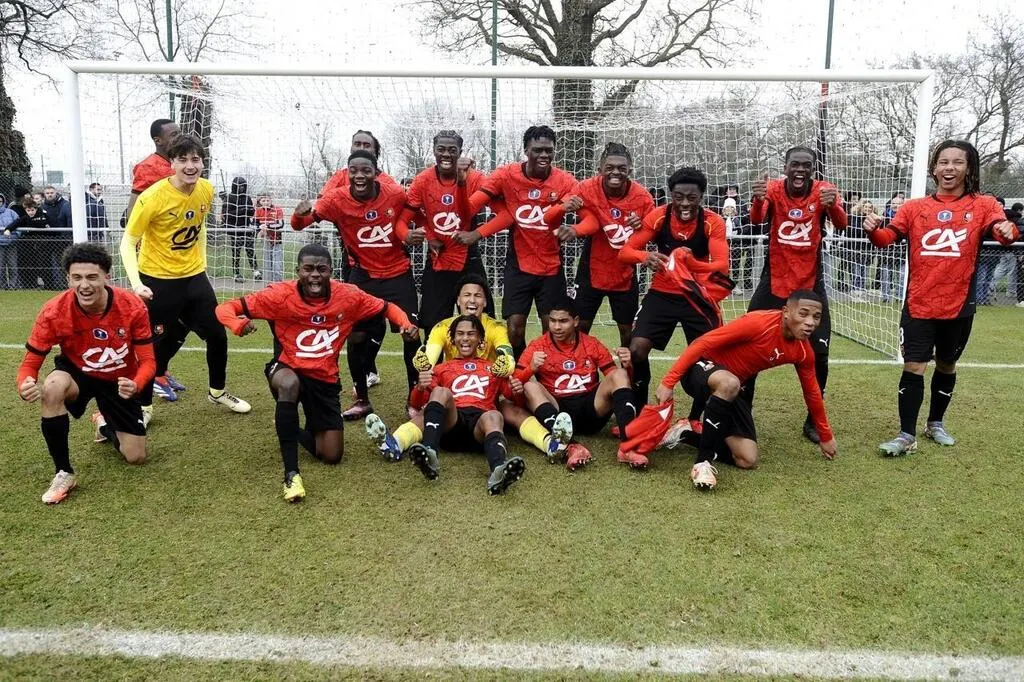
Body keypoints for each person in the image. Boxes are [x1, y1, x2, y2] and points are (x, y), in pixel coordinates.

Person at [215, 244, 417, 502]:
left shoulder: (349, 295)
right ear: (297, 270)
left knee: (331, 455)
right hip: (286, 370)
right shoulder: (279, 295)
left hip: (324, 379)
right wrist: (237, 324)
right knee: (288, 384)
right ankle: (291, 474)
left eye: (321, 269)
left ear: (331, 271)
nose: (315, 275)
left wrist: (406, 324)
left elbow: (387, 308)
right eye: (308, 269)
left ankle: (288, 426)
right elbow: (224, 309)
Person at [864, 140, 1019, 456]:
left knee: (947, 365)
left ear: (968, 168)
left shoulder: (984, 205)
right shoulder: (914, 208)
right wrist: (872, 228)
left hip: (958, 306)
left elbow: (1006, 236)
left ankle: (935, 423)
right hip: (919, 304)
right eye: (943, 162)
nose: (950, 168)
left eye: (957, 162)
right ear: (933, 168)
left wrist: (1007, 230)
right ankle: (906, 434)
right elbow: (884, 239)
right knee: (913, 366)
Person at [368, 274, 574, 466]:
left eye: (478, 295)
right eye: (467, 295)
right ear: (457, 300)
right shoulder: (443, 331)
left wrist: (512, 372)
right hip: (453, 400)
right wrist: (423, 374)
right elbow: (428, 365)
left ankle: (550, 443)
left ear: (485, 302)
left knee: (512, 409)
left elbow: (507, 359)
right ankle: (397, 443)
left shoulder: (496, 329)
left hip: (491, 392)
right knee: (430, 407)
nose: (472, 300)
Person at [120, 133, 251, 426]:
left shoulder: (206, 189)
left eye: (195, 159)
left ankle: (217, 392)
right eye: (182, 159)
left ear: (202, 163)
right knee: (153, 346)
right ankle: (143, 406)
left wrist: (200, 262)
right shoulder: (152, 197)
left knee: (217, 335)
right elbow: (128, 242)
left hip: (193, 278)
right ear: (172, 164)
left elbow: (199, 227)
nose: (190, 165)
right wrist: (136, 283)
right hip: (157, 281)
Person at [655, 290, 838, 491]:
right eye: (803, 314)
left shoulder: (803, 351)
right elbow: (703, 343)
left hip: (731, 387)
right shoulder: (759, 323)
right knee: (730, 382)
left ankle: (685, 434)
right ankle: (702, 464)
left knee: (747, 459)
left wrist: (826, 436)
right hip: (699, 369)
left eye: (816, 317)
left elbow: (812, 392)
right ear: (786, 311)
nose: (810, 322)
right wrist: (668, 382)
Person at [15, 243, 156, 504]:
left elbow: (148, 361)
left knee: (136, 457)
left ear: (106, 276)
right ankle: (64, 471)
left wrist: (136, 383)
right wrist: (25, 383)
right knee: (53, 386)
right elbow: (29, 365)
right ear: (68, 278)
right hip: (77, 373)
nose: (84, 285)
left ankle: (104, 423)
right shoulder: (54, 311)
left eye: (92, 277)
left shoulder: (131, 306)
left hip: (118, 379)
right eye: (76, 278)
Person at [291, 150, 423, 420]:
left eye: (366, 170)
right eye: (354, 170)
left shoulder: (395, 194)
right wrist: (298, 215)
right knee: (356, 336)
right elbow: (299, 225)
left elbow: (418, 215)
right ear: (347, 172)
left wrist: (419, 234)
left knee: (411, 335)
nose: (360, 175)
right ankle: (362, 399)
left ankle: (415, 400)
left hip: (398, 275)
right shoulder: (336, 199)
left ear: (376, 172)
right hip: (362, 277)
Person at [747, 146, 847, 444]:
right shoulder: (774, 189)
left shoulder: (825, 190)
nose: (800, 170)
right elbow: (756, 220)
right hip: (774, 281)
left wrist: (834, 207)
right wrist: (757, 198)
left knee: (820, 354)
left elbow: (842, 224)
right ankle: (741, 409)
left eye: (806, 165)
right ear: (786, 167)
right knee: (749, 341)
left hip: (810, 284)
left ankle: (814, 420)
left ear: (813, 168)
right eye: (795, 165)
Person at [454, 125, 581, 358]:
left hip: (551, 267)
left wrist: (574, 226)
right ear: (526, 150)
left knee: (553, 328)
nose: (544, 155)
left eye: (548, 150)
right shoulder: (505, 175)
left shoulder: (566, 181)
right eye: (538, 150)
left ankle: (548, 381)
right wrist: (462, 184)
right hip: (518, 266)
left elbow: (588, 214)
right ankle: (519, 374)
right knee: (514, 329)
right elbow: (469, 208)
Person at [618, 166, 729, 427]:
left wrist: (686, 264)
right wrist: (646, 257)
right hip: (662, 294)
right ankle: (639, 408)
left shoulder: (712, 222)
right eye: (679, 196)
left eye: (692, 197)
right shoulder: (659, 216)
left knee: (709, 358)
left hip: (697, 295)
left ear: (701, 196)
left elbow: (722, 265)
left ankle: (694, 418)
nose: (685, 203)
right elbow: (625, 252)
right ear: (671, 195)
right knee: (636, 349)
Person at [397, 315, 528, 495]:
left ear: (481, 340)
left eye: (471, 334)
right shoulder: (441, 368)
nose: (465, 338)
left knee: (494, 415)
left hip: (480, 430)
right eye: (460, 334)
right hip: (453, 424)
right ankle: (429, 453)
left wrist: (518, 390)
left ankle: (499, 470)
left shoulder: (494, 368)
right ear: (452, 339)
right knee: (441, 392)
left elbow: (516, 401)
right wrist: (420, 387)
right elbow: (416, 404)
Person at [514, 297, 639, 470]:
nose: (557, 327)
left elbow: (619, 384)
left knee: (619, 374)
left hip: (591, 410)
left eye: (563, 321)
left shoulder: (592, 344)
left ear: (576, 321)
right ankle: (570, 446)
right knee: (529, 385)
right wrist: (531, 369)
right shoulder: (537, 345)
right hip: (557, 411)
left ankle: (628, 446)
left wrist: (628, 367)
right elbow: (512, 388)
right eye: (552, 321)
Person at [397, 130, 497, 335]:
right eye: (441, 149)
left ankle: (480, 367)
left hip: (469, 259)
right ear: (433, 151)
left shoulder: (476, 178)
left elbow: (506, 214)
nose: (446, 154)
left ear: (460, 152)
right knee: (434, 326)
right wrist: (413, 236)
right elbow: (403, 220)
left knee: (482, 324)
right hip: (438, 259)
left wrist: (476, 234)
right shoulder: (423, 180)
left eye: (452, 150)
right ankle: (434, 367)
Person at [557, 142, 655, 348]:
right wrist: (569, 214)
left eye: (622, 168)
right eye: (609, 168)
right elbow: (564, 202)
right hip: (591, 268)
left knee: (627, 330)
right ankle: (580, 372)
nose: (615, 172)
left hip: (624, 272)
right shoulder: (586, 188)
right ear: (600, 170)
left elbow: (652, 233)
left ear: (630, 169)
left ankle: (634, 378)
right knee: (580, 325)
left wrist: (641, 227)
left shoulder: (643, 198)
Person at [126, 118, 187, 400]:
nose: (178, 136)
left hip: (181, 261)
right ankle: (141, 380)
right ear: (158, 140)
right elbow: (133, 212)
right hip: (156, 261)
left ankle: (159, 370)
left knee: (184, 320)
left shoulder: (180, 164)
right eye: (173, 134)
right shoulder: (148, 167)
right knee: (154, 323)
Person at [221, 177, 260, 283]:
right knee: (236, 252)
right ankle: (236, 273)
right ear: (235, 186)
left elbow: (251, 213)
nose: (242, 188)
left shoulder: (247, 198)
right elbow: (227, 215)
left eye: (243, 186)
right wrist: (242, 210)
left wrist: (250, 210)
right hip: (234, 229)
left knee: (250, 250)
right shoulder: (229, 198)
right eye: (240, 186)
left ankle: (256, 272)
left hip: (246, 228)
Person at [41, 185, 73, 288]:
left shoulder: (64, 205)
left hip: (62, 238)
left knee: (63, 262)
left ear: (56, 193)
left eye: (51, 193)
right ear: (44, 194)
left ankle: (65, 284)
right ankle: (51, 285)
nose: (50, 195)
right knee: (48, 262)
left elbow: (67, 221)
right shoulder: (42, 207)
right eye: (47, 193)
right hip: (48, 239)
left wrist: (66, 236)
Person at [255, 193, 285, 283]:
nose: (266, 202)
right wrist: (260, 227)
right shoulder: (258, 211)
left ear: (271, 201)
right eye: (263, 200)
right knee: (267, 267)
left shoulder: (277, 209)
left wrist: (267, 225)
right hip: (266, 241)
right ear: (260, 202)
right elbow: (253, 224)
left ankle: (278, 286)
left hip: (276, 241)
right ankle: (269, 287)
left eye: (268, 200)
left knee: (277, 267)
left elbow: (280, 224)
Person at [0, 192, 19, 289]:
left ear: (3, 201)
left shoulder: (11, 213)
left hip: (11, 243)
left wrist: (14, 237)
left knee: (12, 266)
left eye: (0, 201)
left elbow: (18, 225)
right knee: (1, 267)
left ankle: (13, 285)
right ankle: (2, 286)